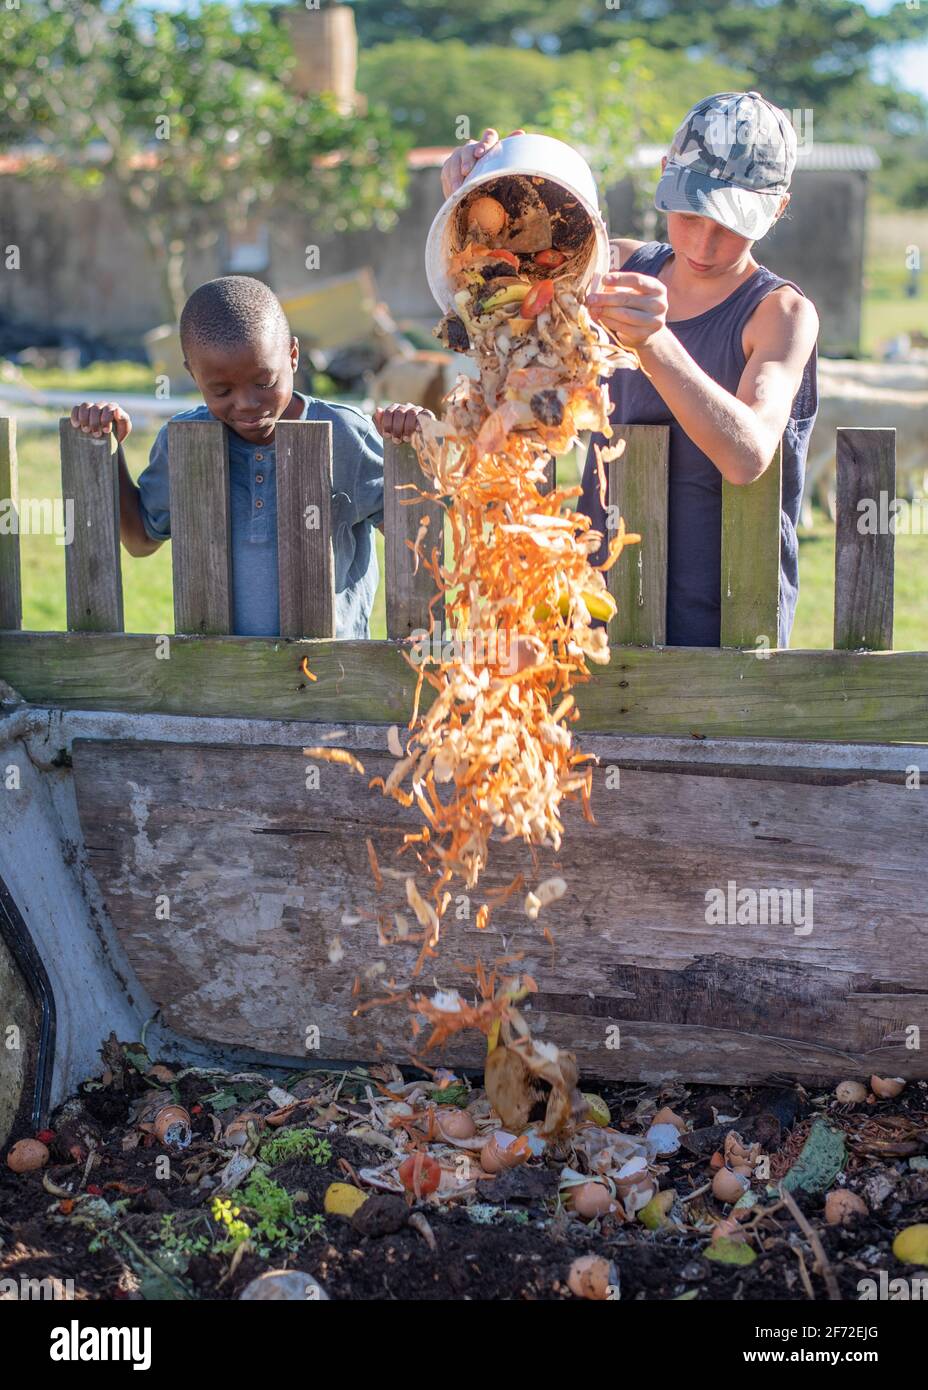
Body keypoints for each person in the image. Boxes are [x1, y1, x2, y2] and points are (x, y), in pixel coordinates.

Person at [441, 94, 820, 647]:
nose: (704, 243)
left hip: (725, 634)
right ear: (665, 176)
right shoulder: (612, 268)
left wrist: (654, 342)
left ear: (778, 209)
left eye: (731, 225)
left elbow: (748, 456)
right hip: (598, 617)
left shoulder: (780, 315)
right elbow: (493, 303)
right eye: (690, 214)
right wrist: (479, 188)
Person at [69, 275, 421, 638]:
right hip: (220, 680)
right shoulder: (182, 442)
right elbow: (142, 540)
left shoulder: (347, 434)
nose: (248, 403)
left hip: (327, 679)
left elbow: (415, 533)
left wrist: (414, 450)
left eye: (265, 383)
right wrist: (110, 447)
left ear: (293, 355)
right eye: (221, 390)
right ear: (193, 374)